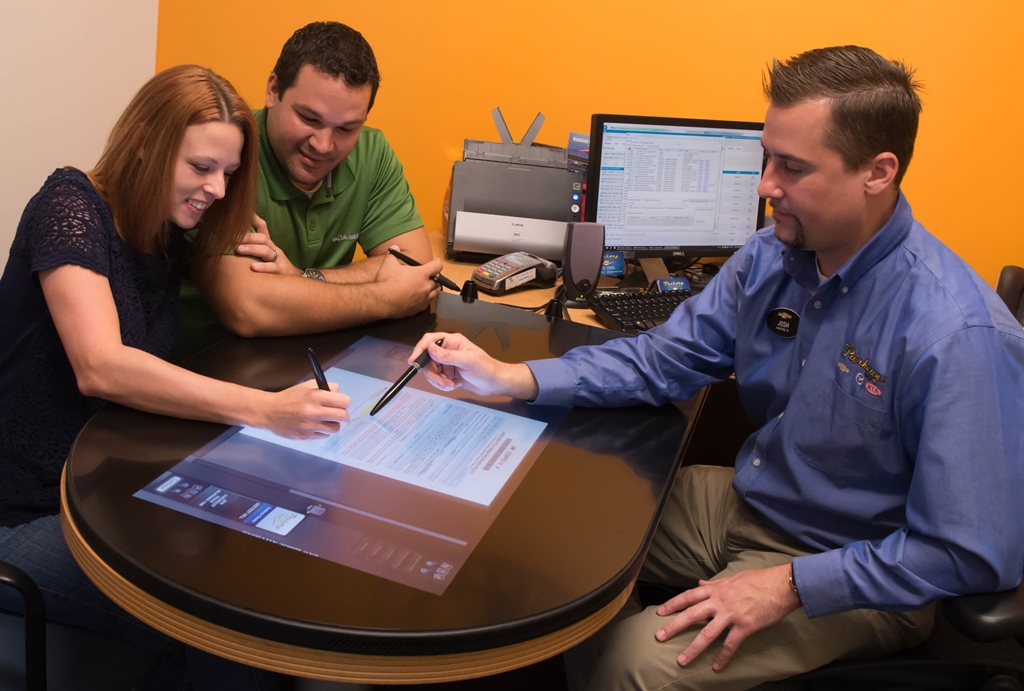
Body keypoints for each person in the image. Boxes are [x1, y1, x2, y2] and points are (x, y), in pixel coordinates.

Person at [408, 45, 1024, 689]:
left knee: (634, 664)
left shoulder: (957, 333)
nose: (764, 187)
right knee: (550, 520)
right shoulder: (769, 258)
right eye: (766, 159)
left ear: (877, 171)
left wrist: (788, 584)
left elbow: (970, 552)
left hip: (854, 566)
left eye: (792, 167)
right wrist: (514, 379)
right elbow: (664, 357)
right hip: (752, 500)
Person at [0, 64, 351, 690]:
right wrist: (264, 409)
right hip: (27, 513)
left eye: (229, 172)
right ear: (145, 145)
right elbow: (100, 366)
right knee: (226, 619)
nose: (218, 188)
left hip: (107, 488)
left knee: (267, 566)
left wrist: (293, 270)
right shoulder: (69, 206)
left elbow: (264, 301)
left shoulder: (169, 227)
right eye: (201, 168)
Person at [177, 21, 443, 359]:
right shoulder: (227, 156)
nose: (323, 144)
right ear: (273, 90)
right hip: (212, 367)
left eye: (346, 128)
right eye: (309, 119)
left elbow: (415, 270)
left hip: (324, 362)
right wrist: (387, 297)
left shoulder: (372, 152)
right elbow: (249, 308)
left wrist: (303, 278)